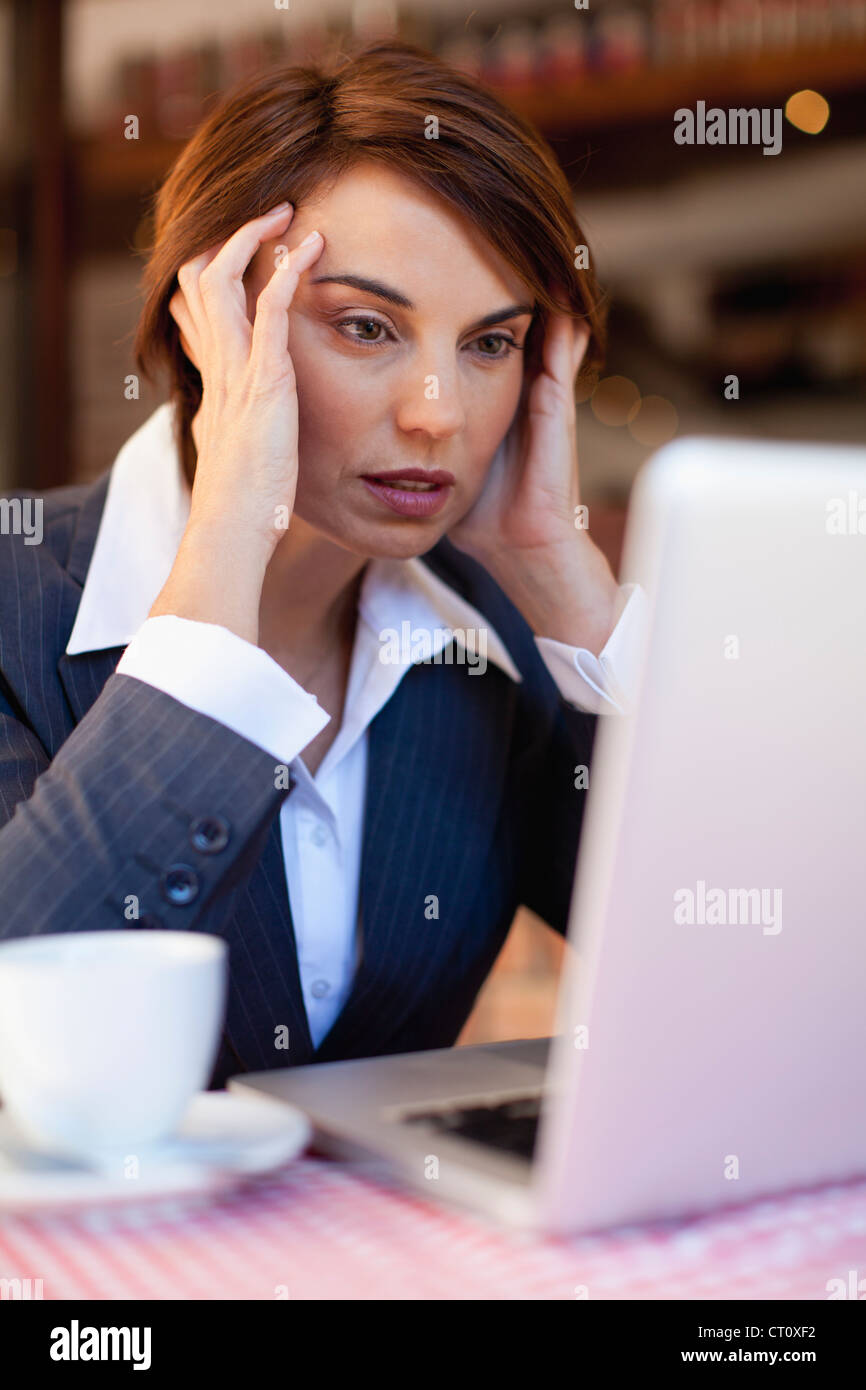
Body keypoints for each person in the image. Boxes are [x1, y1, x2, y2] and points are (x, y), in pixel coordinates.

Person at [0, 40, 645, 1088]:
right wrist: (227, 545)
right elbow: (24, 1024)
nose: (437, 414)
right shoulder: (14, 598)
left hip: (399, 1250)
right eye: (363, 326)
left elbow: (755, 964)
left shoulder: (499, 639)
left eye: (488, 344)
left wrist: (558, 571)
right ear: (210, 318)